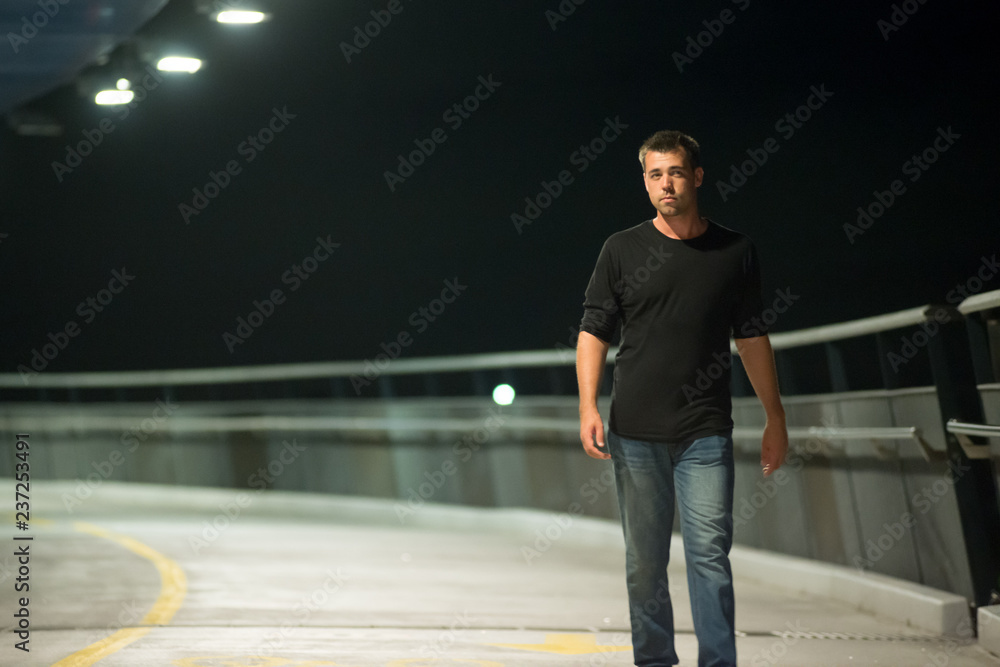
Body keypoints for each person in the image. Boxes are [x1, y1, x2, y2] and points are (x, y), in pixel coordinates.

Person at [575, 130, 789, 667]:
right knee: (645, 563)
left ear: (697, 176)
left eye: (675, 172)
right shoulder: (621, 249)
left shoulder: (735, 251)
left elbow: (752, 336)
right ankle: (655, 660)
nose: (665, 184)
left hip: (706, 429)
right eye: (655, 175)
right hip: (635, 430)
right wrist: (587, 407)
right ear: (645, 183)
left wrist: (775, 417)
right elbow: (594, 330)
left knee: (710, 556)